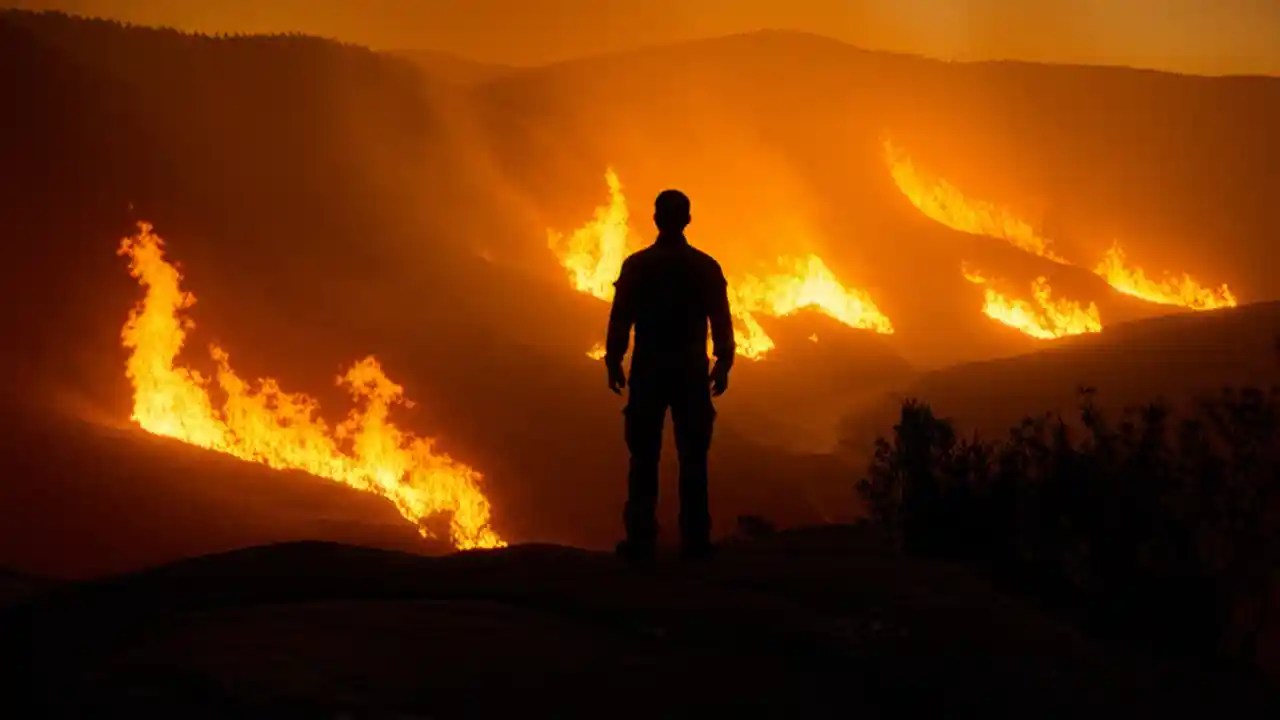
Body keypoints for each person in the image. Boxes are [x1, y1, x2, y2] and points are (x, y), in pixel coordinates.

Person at [604, 189, 735, 563]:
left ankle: (641, 540)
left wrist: (614, 360)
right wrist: (723, 361)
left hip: (648, 371)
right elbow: (721, 320)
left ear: (656, 219)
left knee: (643, 457)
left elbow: (621, 318)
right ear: (687, 219)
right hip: (690, 372)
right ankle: (695, 540)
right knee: (693, 457)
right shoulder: (705, 268)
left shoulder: (638, 266)